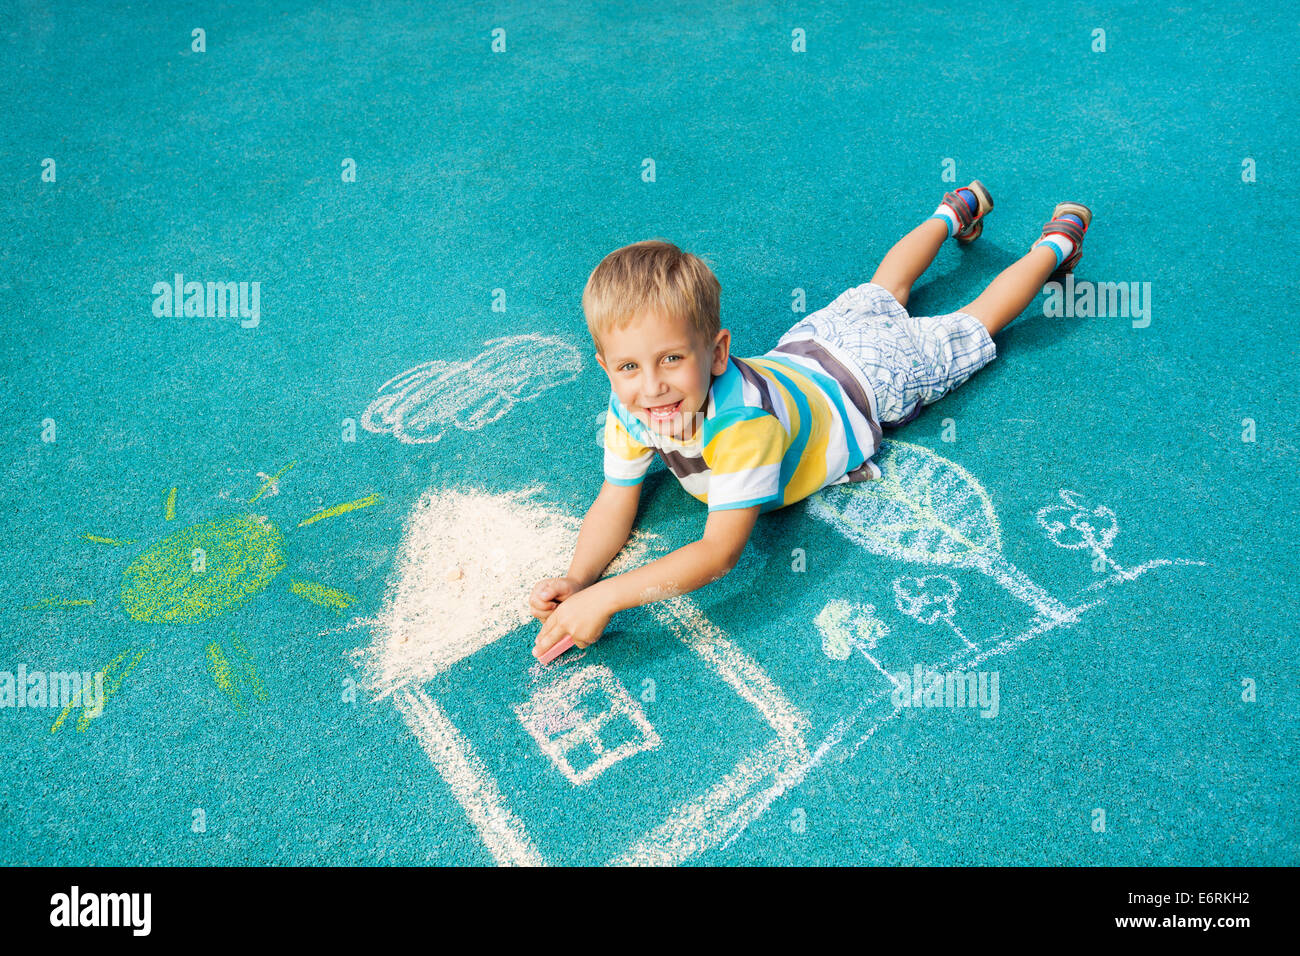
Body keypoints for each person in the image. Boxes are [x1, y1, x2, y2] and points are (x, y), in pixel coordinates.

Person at [530, 183, 1091, 658]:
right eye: (629, 366)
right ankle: (954, 211)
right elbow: (615, 496)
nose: (652, 386)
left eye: (671, 359)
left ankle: (1054, 246)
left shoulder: (744, 426)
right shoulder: (633, 402)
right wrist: (580, 579)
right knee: (881, 290)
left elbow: (718, 552)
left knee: (975, 320)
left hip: (874, 381)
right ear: (607, 367)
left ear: (719, 353)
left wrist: (605, 597)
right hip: (810, 347)